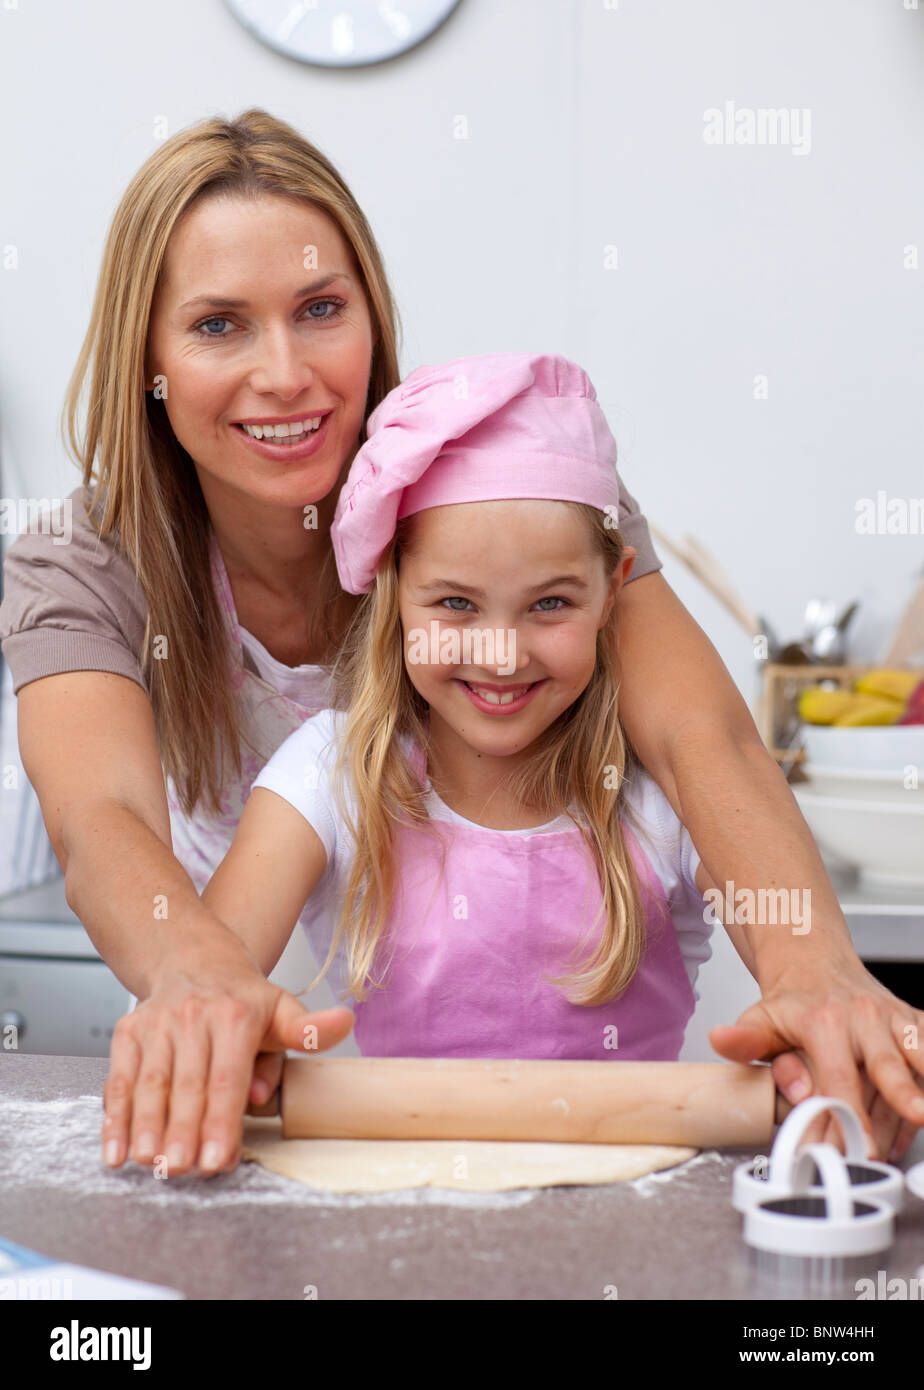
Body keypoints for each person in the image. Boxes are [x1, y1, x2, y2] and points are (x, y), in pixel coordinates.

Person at [0, 109, 920, 1179]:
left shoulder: (508, 480)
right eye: (217, 326)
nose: (286, 372)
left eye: (320, 309)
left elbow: (699, 731)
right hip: (217, 1004)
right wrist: (200, 976)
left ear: (374, 318)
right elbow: (98, 815)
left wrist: (811, 960)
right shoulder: (77, 558)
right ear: (146, 358)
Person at [203, 351, 718, 1064]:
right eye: (455, 604)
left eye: (549, 603)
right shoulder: (332, 772)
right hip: (401, 1175)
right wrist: (219, 1012)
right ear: (391, 585)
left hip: (626, 1175)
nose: (502, 655)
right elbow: (209, 971)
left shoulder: (663, 793)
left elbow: (787, 929)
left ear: (614, 588)